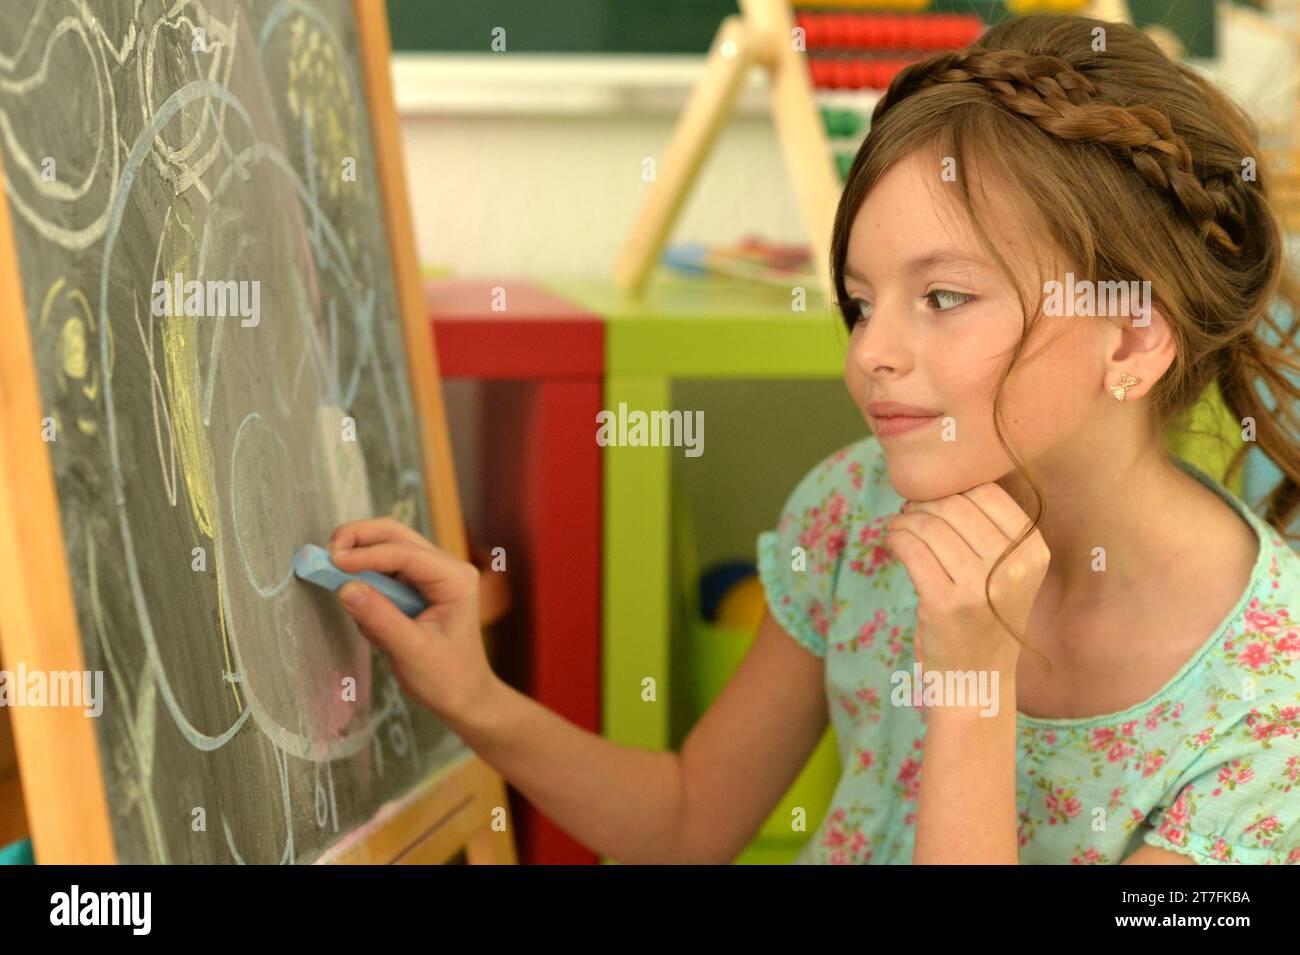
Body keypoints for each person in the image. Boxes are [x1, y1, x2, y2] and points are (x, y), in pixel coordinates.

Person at [331, 14, 1300, 864]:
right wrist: (471, 693)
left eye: (943, 297)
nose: (870, 352)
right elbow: (687, 818)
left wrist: (969, 682)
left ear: (1129, 336)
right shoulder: (855, 509)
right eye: (861, 302)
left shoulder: (1273, 696)